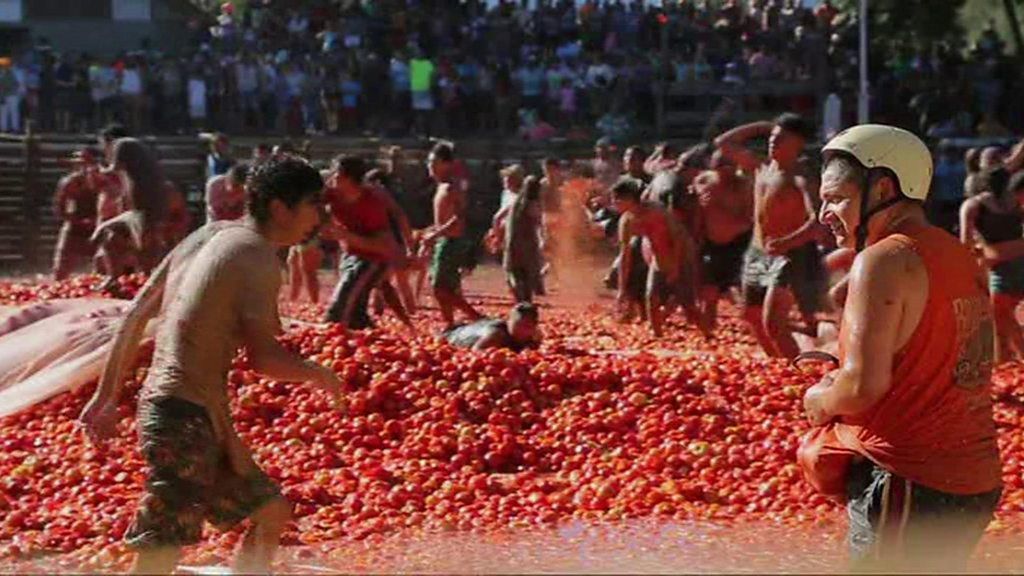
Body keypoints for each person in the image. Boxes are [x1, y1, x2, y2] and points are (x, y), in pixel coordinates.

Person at [79, 155, 343, 575]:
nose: (320, 217)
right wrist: (320, 375)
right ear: (280, 208)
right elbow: (264, 359)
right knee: (162, 544)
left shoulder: (208, 234)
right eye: (314, 204)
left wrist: (105, 396)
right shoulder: (258, 257)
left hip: (181, 411)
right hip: (184, 418)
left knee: (270, 513)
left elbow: (135, 314)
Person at [801, 125, 1002, 573]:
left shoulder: (882, 259)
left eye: (835, 198)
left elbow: (862, 386)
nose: (824, 213)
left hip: (912, 478)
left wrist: (818, 398)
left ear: (884, 187)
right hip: (971, 477)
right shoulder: (954, 252)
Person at [715, 113, 825, 358]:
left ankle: (795, 373)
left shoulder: (799, 177)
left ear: (798, 144)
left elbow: (818, 220)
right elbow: (723, 144)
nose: (773, 142)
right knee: (751, 316)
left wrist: (788, 241)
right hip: (757, 253)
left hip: (788, 254)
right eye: (772, 137)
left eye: (781, 138)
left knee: (773, 323)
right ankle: (778, 363)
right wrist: (762, 125)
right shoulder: (760, 167)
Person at [612, 177, 708, 338]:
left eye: (617, 199)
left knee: (688, 304)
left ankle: (708, 334)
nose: (614, 203)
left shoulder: (658, 211)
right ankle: (657, 336)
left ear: (629, 198)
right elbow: (625, 255)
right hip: (659, 257)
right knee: (651, 297)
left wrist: (676, 268)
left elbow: (678, 239)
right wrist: (622, 289)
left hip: (682, 255)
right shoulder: (626, 222)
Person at [322, 155, 402, 329]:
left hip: (372, 260)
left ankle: (331, 346)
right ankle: (377, 345)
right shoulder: (331, 192)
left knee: (338, 310)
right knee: (355, 315)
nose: (333, 178)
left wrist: (347, 236)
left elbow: (384, 246)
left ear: (350, 180)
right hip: (350, 256)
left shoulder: (371, 204)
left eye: (337, 175)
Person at [960, 167, 1024, 362]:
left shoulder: (973, 205)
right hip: (1018, 260)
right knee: (1005, 319)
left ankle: (1006, 365)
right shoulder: (1016, 201)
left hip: (998, 267)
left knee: (1000, 320)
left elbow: (965, 243)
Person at [91, 138, 170, 291]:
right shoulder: (144, 163)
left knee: (142, 248)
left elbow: (113, 168)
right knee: (113, 238)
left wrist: (99, 168)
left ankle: (146, 283)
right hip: (147, 210)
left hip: (141, 211)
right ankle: (117, 279)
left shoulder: (122, 145)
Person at [692, 151, 754, 330]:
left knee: (744, 291)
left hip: (738, 243)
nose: (725, 170)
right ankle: (708, 334)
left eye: (728, 165)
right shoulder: (703, 181)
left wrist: (720, 211)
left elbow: (748, 220)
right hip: (710, 244)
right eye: (720, 166)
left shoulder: (743, 186)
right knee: (708, 293)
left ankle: (757, 329)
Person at [424, 142, 482, 329]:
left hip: (453, 241)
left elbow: (458, 219)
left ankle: (475, 316)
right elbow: (445, 219)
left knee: (439, 288)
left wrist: (435, 235)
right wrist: (432, 231)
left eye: (435, 163)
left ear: (447, 164)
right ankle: (449, 323)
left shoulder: (452, 187)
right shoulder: (441, 187)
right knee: (443, 285)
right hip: (444, 239)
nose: (430, 167)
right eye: (429, 162)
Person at [52, 148, 103, 280]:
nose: (84, 168)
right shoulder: (70, 182)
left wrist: (98, 220)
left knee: (104, 262)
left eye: (88, 163)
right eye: (80, 164)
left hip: (101, 226)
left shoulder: (105, 182)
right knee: (61, 267)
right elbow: (59, 207)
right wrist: (74, 220)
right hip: (76, 225)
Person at [504, 176, 545, 302]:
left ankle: (521, 299)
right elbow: (537, 221)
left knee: (515, 271)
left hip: (513, 240)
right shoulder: (531, 204)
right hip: (526, 242)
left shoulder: (516, 201)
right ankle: (525, 300)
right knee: (526, 273)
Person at [444, 302, 541, 351]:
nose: (522, 330)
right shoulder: (496, 335)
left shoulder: (535, 337)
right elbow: (476, 353)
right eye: (518, 324)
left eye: (527, 326)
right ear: (508, 322)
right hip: (451, 338)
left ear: (534, 327)